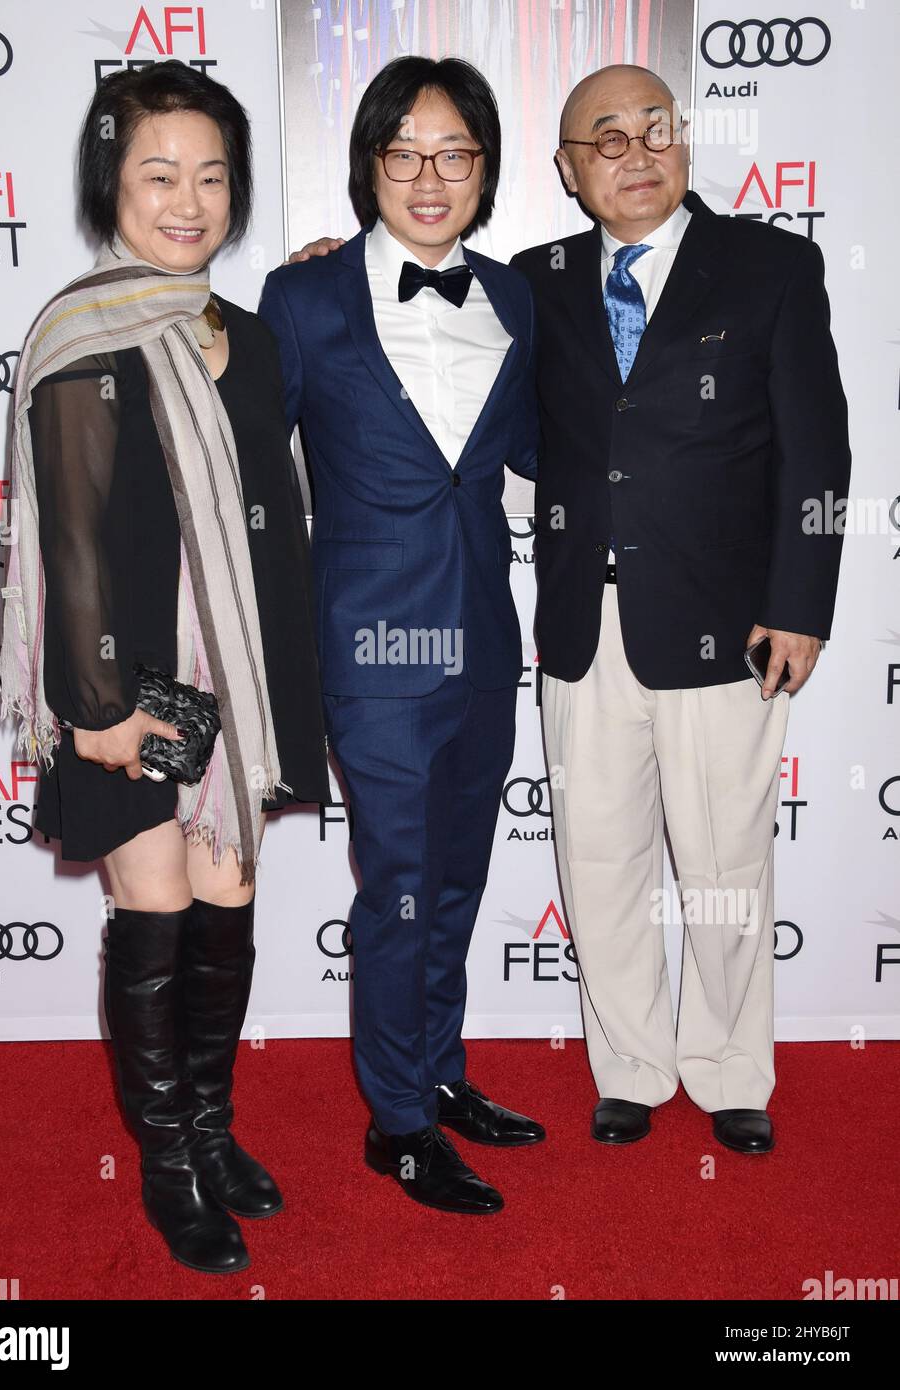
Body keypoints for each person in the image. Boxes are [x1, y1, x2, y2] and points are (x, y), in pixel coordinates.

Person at [0, 61, 329, 1273]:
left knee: (227, 910)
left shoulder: (244, 330)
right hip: (132, 680)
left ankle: (211, 1123)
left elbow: (261, 508)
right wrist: (92, 711)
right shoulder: (82, 330)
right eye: (158, 174)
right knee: (154, 910)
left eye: (212, 176)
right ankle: (167, 1164)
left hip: (230, 686)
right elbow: (72, 535)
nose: (189, 200)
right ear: (110, 186)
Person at [510, 64, 851, 1154]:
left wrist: (798, 603)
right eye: (602, 139)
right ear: (568, 172)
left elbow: (816, 447)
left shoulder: (770, 267)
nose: (634, 151)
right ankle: (631, 1068)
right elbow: (488, 403)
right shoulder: (536, 280)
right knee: (598, 863)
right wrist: (342, 269)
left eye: (653, 127)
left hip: (725, 628)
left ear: (685, 139)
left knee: (723, 867)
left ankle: (727, 1066)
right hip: (579, 626)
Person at [259, 56, 543, 1214]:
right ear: (368, 163)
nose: (430, 178)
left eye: (456, 154)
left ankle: (438, 1069)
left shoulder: (518, 298)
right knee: (399, 886)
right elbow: (250, 472)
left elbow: (537, 447)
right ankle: (397, 1125)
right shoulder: (303, 298)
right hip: (370, 643)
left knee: (459, 878)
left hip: (483, 626)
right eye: (404, 153)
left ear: (485, 171)